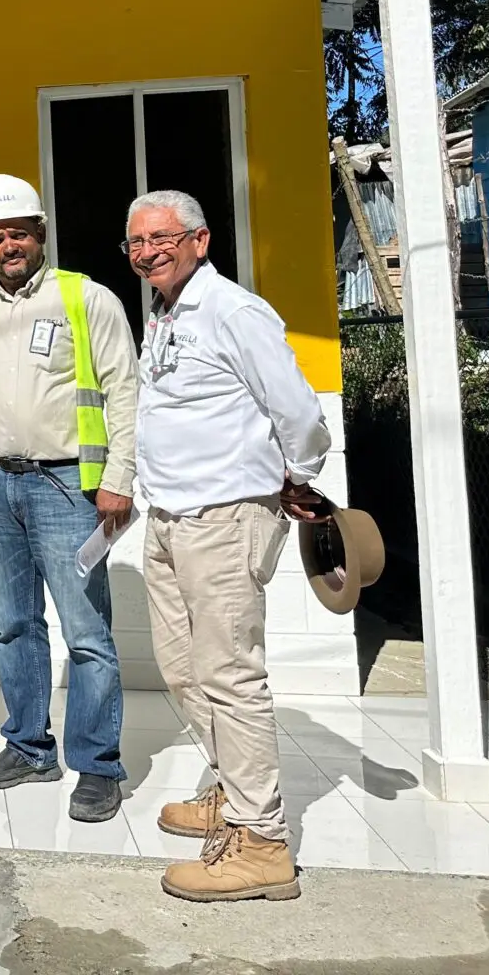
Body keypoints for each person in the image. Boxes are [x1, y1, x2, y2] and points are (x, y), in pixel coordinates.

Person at [126, 189, 331, 903]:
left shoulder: (233, 311)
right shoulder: (164, 313)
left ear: (200, 240)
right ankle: (231, 790)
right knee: (184, 670)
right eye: (136, 242)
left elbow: (299, 411)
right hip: (172, 518)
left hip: (225, 519)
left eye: (161, 238)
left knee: (231, 675)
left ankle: (262, 842)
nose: (148, 251)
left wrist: (296, 478)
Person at [0, 174, 140, 823]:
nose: (9, 246)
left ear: (41, 235)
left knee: (87, 635)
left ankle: (98, 767)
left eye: (19, 234)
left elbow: (123, 392)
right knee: (13, 627)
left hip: (67, 488)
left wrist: (119, 478)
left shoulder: (87, 300)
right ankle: (28, 747)